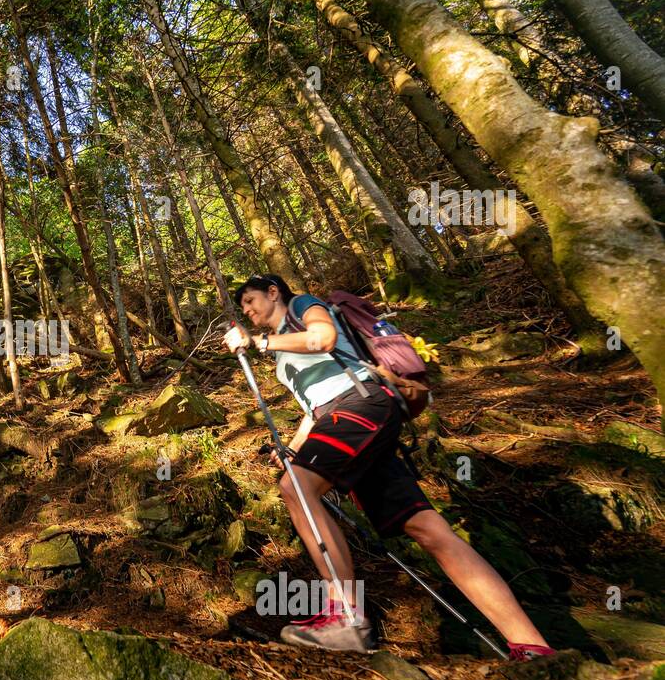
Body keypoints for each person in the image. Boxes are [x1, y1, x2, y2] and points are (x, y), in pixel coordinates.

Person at [224, 274, 554, 660]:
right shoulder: (283, 350)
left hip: (359, 405)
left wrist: (258, 342)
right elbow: (315, 406)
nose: (247, 311)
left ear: (274, 292)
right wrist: (295, 448)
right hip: (350, 416)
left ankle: (345, 617)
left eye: (250, 300)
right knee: (428, 529)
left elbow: (323, 339)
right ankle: (531, 645)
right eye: (244, 307)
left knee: (296, 489)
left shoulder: (301, 307)